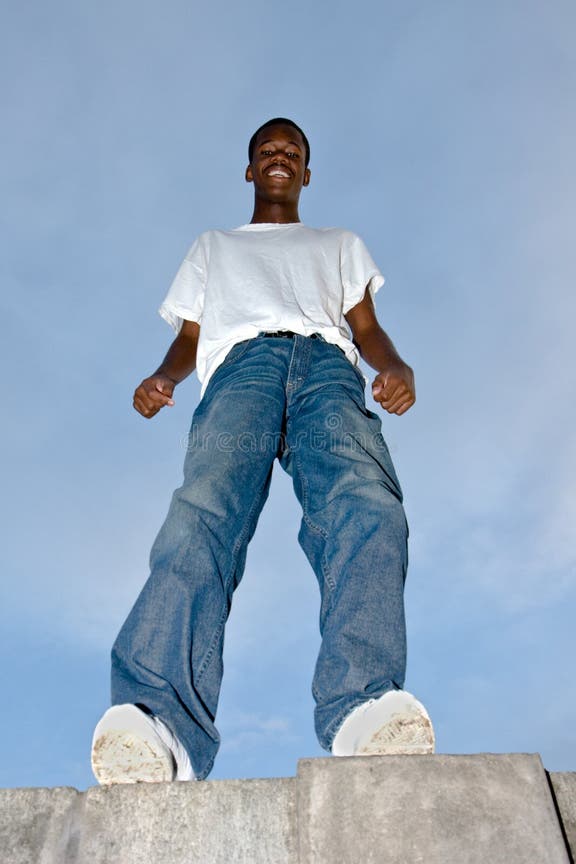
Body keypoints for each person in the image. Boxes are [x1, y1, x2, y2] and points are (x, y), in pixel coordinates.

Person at [91, 118, 435, 785]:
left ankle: (364, 704)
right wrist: (164, 376)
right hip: (240, 369)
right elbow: (192, 333)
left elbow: (365, 326)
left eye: (293, 153)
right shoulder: (215, 246)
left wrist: (395, 366)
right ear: (250, 170)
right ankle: (160, 723)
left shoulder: (338, 244)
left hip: (328, 369)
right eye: (268, 152)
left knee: (367, 507)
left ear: (307, 173)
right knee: (203, 515)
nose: (280, 158)